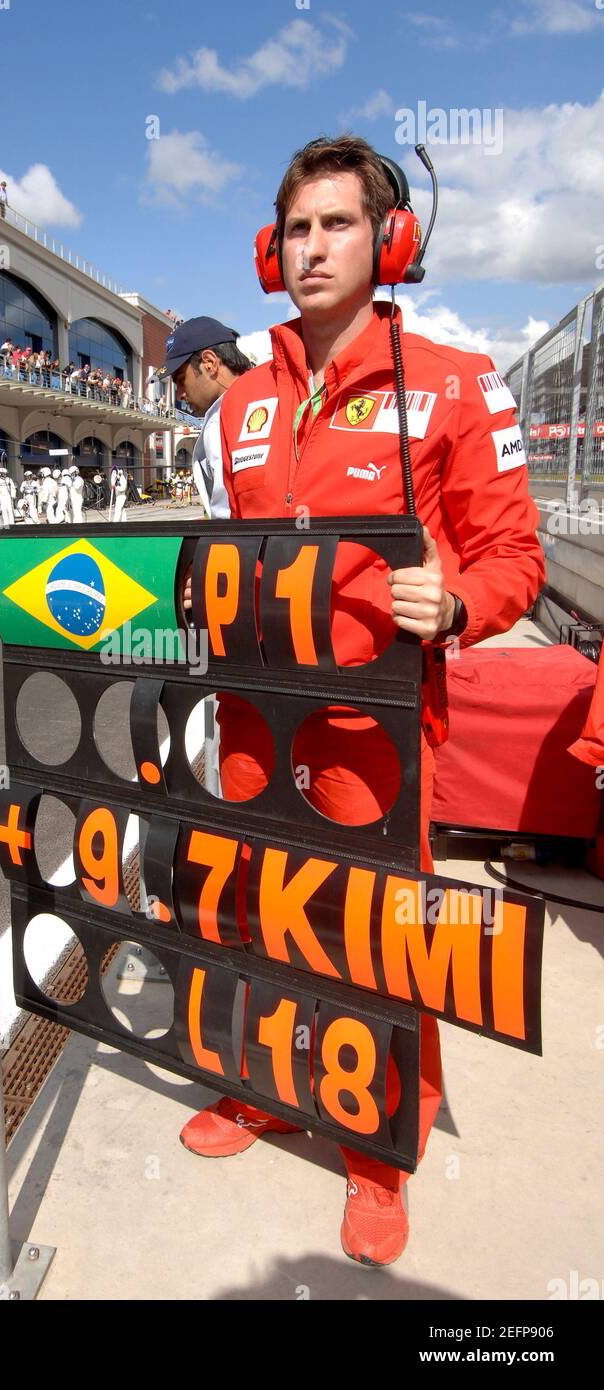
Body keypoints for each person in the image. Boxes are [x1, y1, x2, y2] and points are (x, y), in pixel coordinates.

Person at [178, 133, 546, 1268]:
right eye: (296, 227)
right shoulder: (238, 397)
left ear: (391, 241)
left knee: (379, 939)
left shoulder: (454, 381)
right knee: (253, 911)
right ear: (267, 250)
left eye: (338, 223)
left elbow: (512, 555)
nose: (313, 246)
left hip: (374, 733)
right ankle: (264, 1087)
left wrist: (462, 600)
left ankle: (379, 1152)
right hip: (252, 722)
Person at [157, 318, 252, 519]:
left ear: (209, 363)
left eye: (182, 381)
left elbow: (227, 518)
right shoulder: (266, 395)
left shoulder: (226, 417)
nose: (180, 394)